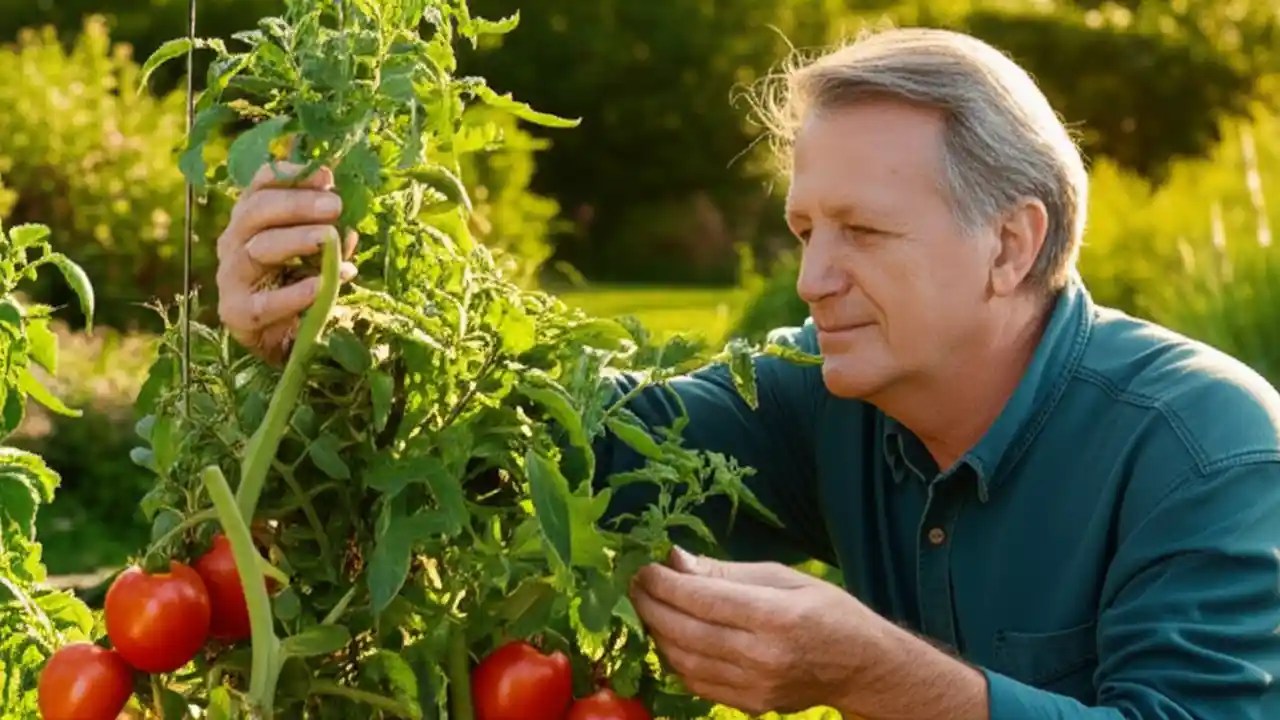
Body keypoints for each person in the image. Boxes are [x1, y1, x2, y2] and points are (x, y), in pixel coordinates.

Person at [212, 26, 1280, 720]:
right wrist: (330, 329)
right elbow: (553, 445)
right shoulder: (823, 398)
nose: (812, 278)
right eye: (803, 228)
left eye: (862, 230)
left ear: (1010, 245)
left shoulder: (1207, 448)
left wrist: (875, 676)